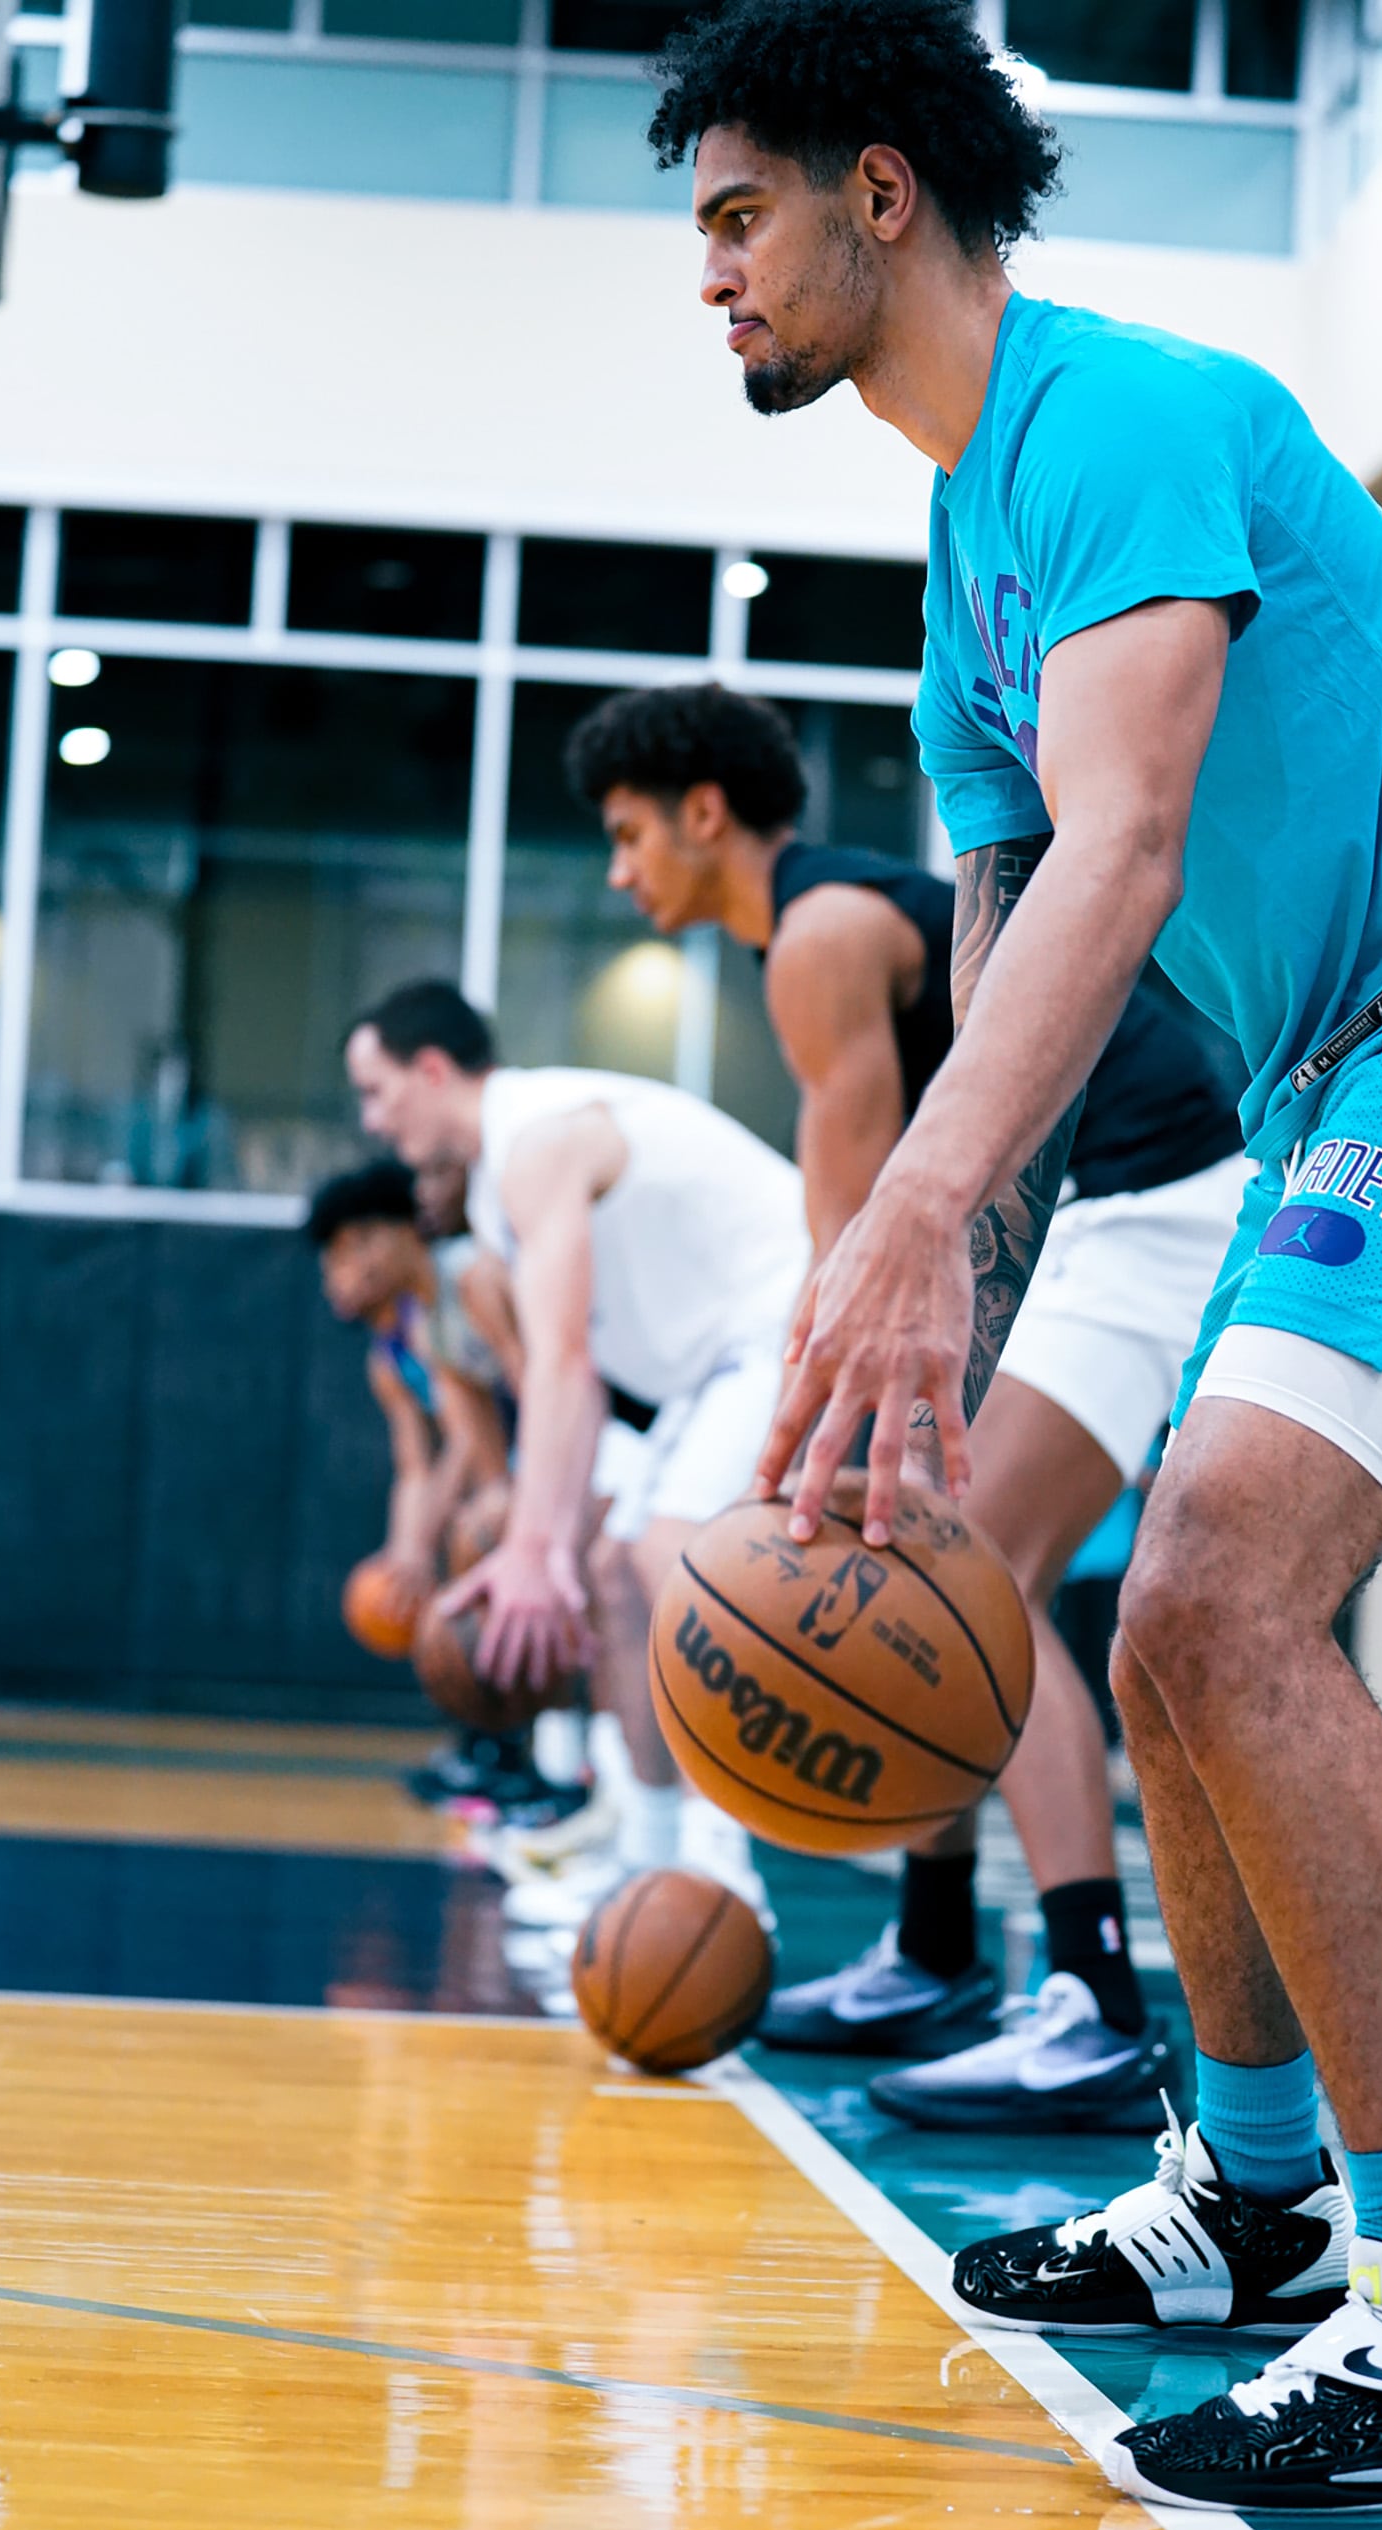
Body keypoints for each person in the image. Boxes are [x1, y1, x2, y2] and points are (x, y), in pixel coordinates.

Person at [647, 0, 1382, 2510]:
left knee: (1221, 1580)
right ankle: (1244, 2190)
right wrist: (931, 1331)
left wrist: (905, 1214)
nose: (711, 278)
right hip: (1338, 1068)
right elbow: (1006, 922)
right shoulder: (967, 534)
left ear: (878, 193)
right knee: (1162, 1619)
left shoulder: (1122, 415)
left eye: (734, 216)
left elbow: (1123, 856)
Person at [567, 678, 1247, 2131]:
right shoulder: (826, 925)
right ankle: (939, 1956)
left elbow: (854, 1240)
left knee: (973, 1574)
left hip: (1150, 1202)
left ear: (705, 812)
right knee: (903, 1536)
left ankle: (1092, 2007)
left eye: (630, 836)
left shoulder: (815, 942)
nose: (619, 872)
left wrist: (810, 1435)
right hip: (1075, 1218)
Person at [342, 978, 812, 1915]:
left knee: (667, 1551)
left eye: (378, 1090)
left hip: (792, 1314)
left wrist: (524, 1548)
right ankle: (644, 1863)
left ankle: (722, 1867)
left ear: (432, 1070)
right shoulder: (492, 1194)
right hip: (712, 1366)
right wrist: (547, 1545)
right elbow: (577, 1387)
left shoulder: (538, 1139)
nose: (372, 1118)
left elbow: (559, 1362)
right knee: (608, 1571)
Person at [306, 1160, 565, 1818]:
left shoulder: (464, 1282)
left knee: (476, 1545)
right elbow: (420, 1464)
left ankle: (515, 1749)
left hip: (566, 1437)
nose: (334, 1278)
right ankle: (490, 1742)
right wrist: (404, 1549)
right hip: (510, 1457)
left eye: (340, 1255)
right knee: (469, 1548)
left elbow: (502, 1408)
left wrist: (489, 1500)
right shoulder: (390, 1355)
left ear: (383, 1238)